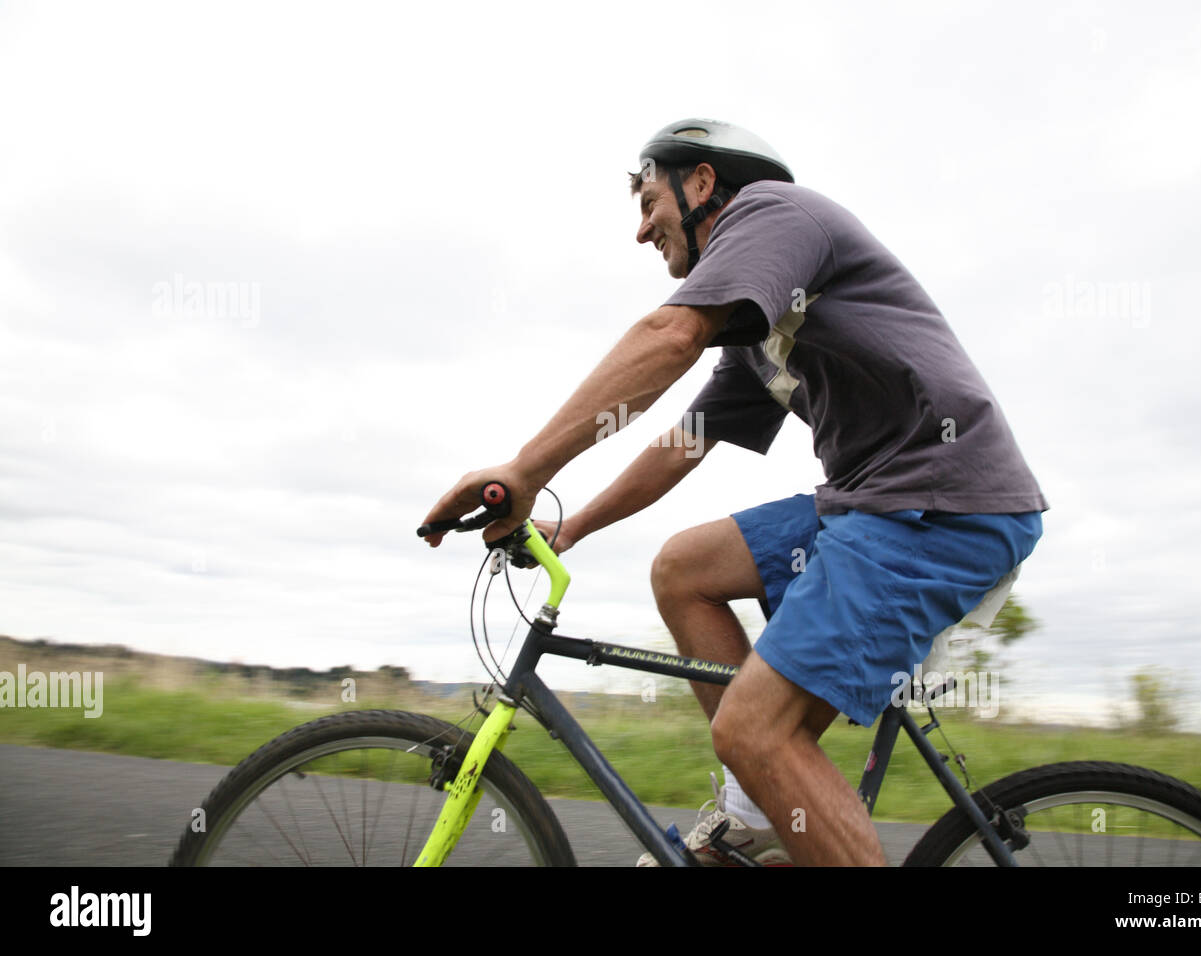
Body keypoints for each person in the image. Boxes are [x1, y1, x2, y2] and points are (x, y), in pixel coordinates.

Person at [421, 119, 1048, 866]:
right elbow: (681, 445)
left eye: (648, 201)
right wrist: (575, 526)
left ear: (703, 183)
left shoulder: (775, 213)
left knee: (754, 729)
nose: (641, 229)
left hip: (941, 505)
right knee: (684, 568)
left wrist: (525, 472)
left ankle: (763, 752)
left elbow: (669, 338)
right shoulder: (757, 334)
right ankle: (752, 809)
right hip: (875, 505)